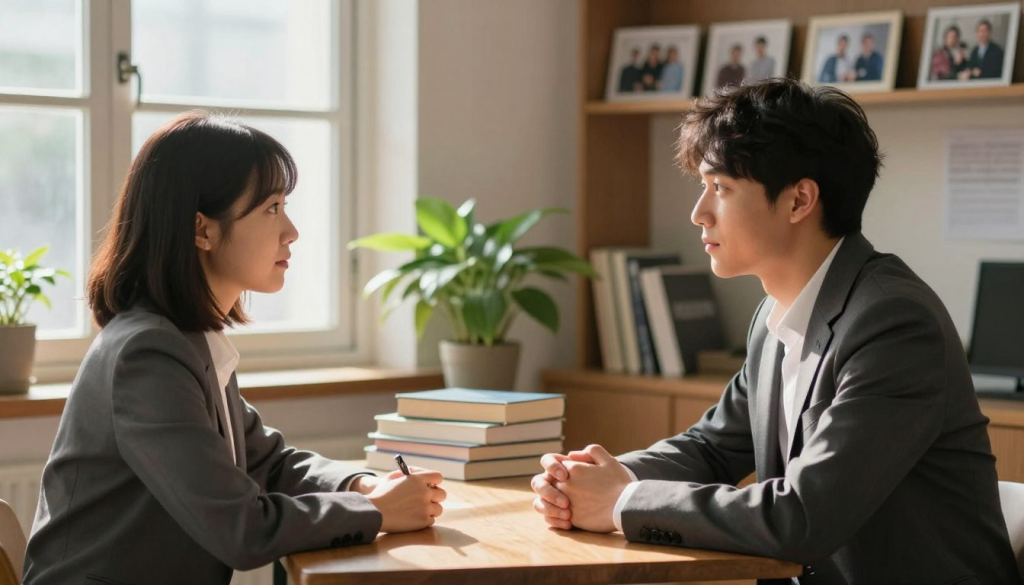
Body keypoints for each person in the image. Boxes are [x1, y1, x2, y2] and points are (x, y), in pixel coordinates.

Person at [530, 78, 1019, 584]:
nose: (699, 213)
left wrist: (622, 502)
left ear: (799, 201)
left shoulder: (893, 323)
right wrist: (594, 478)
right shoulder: (776, 316)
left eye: (720, 188)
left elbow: (804, 515)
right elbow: (713, 447)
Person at [23, 111, 447, 585]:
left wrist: (361, 484)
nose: (291, 230)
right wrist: (373, 511)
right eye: (271, 208)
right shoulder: (147, 356)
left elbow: (268, 460)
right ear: (202, 229)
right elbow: (241, 528)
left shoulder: (188, 340)